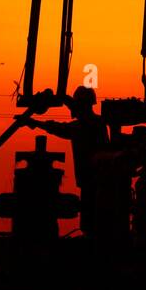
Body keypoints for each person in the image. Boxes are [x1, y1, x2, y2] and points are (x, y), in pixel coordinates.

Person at [26, 86, 109, 238]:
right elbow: (62, 128)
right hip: (93, 180)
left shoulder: (85, 126)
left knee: (92, 218)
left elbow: (61, 128)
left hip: (94, 180)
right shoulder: (96, 124)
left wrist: (35, 123)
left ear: (82, 105)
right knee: (92, 217)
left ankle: (94, 245)